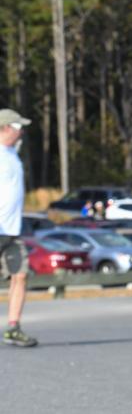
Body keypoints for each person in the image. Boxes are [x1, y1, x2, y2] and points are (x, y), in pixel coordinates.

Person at [0, 108, 37, 347]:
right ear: (4, 128)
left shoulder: (12, 153)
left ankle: (13, 327)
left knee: (20, 275)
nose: (21, 131)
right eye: (17, 127)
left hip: (12, 231)